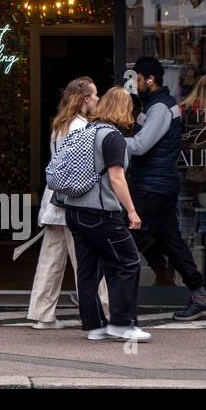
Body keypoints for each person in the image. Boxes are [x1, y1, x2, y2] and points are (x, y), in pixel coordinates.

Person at [125, 56, 206, 320]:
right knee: (171, 242)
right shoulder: (157, 105)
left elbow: (141, 145)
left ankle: (106, 296)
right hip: (160, 185)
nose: (135, 83)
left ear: (150, 79)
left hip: (152, 187)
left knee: (127, 241)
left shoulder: (159, 109)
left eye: (138, 79)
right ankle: (201, 296)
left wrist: (110, 140)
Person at [64, 86, 148, 342]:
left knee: (88, 270)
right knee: (129, 261)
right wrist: (132, 211)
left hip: (74, 208)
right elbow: (116, 178)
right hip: (100, 212)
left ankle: (95, 325)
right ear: (124, 109)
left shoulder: (86, 131)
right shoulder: (112, 137)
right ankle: (122, 323)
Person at [28, 77, 108, 328]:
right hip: (75, 202)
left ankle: (42, 314)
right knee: (90, 260)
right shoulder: (80, 127)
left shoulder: (59, 125)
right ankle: (107, 309)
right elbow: (82, 167)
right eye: (95, 95)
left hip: (55, 201)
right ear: (85, 100)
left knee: (51, 260)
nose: (97, 99)